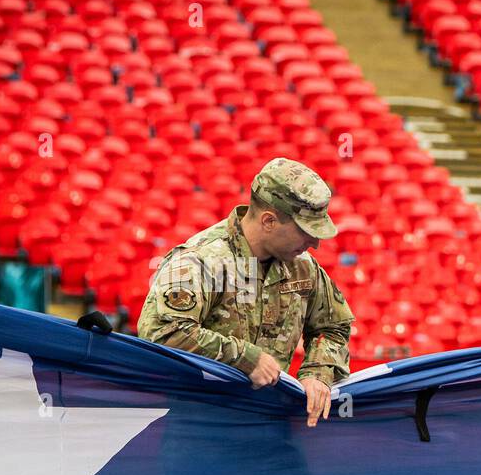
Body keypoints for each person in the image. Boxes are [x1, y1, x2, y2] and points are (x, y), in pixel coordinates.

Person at [137, 158, 353, 427]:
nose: (316, 244)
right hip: (199, 426)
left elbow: (335, 326)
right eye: (306, 232)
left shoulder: (302, 266)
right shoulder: (202, 260)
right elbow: (162, 333)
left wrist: (317, 372)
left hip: (270, 421)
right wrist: (244, 358)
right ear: (269, 221)